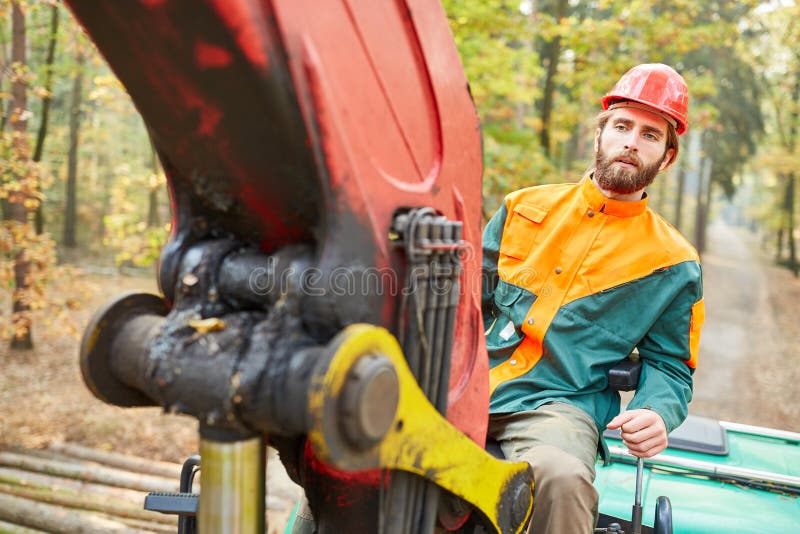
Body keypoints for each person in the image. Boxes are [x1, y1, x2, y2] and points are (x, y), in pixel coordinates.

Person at [482, 63, 704, 532]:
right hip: (468, 379)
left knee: (561, 479)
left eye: (649, 135)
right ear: (600, 135)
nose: (631, 142)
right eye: (622, 127)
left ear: (666, 158)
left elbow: (672, 368)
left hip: (558, 406)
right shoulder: (521, 207)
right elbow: (464, 304)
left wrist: (655, 411)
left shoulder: (674, 263)